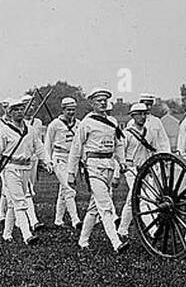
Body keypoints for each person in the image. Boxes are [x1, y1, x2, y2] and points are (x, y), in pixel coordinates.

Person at [67, 88, 128, 252]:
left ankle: (83, 241)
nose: (102, 103)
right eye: (99, 100)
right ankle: (116, 243)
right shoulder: (86, 123)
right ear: (91, 103)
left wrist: (121, 162)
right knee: (105, 206)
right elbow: (76, 147)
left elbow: (119, 143)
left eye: (104, 100)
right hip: (93, 166)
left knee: (94, 208)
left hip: (109, 164)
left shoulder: (113, 122)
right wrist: (71, 173)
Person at [0, 97, 44, 245]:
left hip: (26, 168)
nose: (19, 112)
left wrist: (46, 161)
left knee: (13, 203)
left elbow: (39, 147)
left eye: (21, 109)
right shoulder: (4, 131)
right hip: (10, 169)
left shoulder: (30, 130)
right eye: (15, 110)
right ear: (10, 113)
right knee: (20, 201)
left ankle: (6, 234)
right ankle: (27, 235)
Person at [117, 102, 170, 240]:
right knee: (142, 199)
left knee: (133, 200)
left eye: (144, 113)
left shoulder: (150, 132)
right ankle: (153, 230)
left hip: (146, 169)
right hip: (132, 169)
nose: (142, 116)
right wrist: (119, 170)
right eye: (139, 114)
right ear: (133, 116)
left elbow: (155, 150)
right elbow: (119, 153)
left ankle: (122, 229)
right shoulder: (126, 134)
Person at [44, 97, 81, 228]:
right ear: (63, 109)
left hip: (72, 159)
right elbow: (47, 143)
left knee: (63, 190)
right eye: (68, 110)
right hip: (59, 157)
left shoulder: (79, 124)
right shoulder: (55, 124)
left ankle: (58, 220)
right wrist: (47, 161)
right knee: (69, 188)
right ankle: (75, 219)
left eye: (73, 110)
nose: (71, 112)